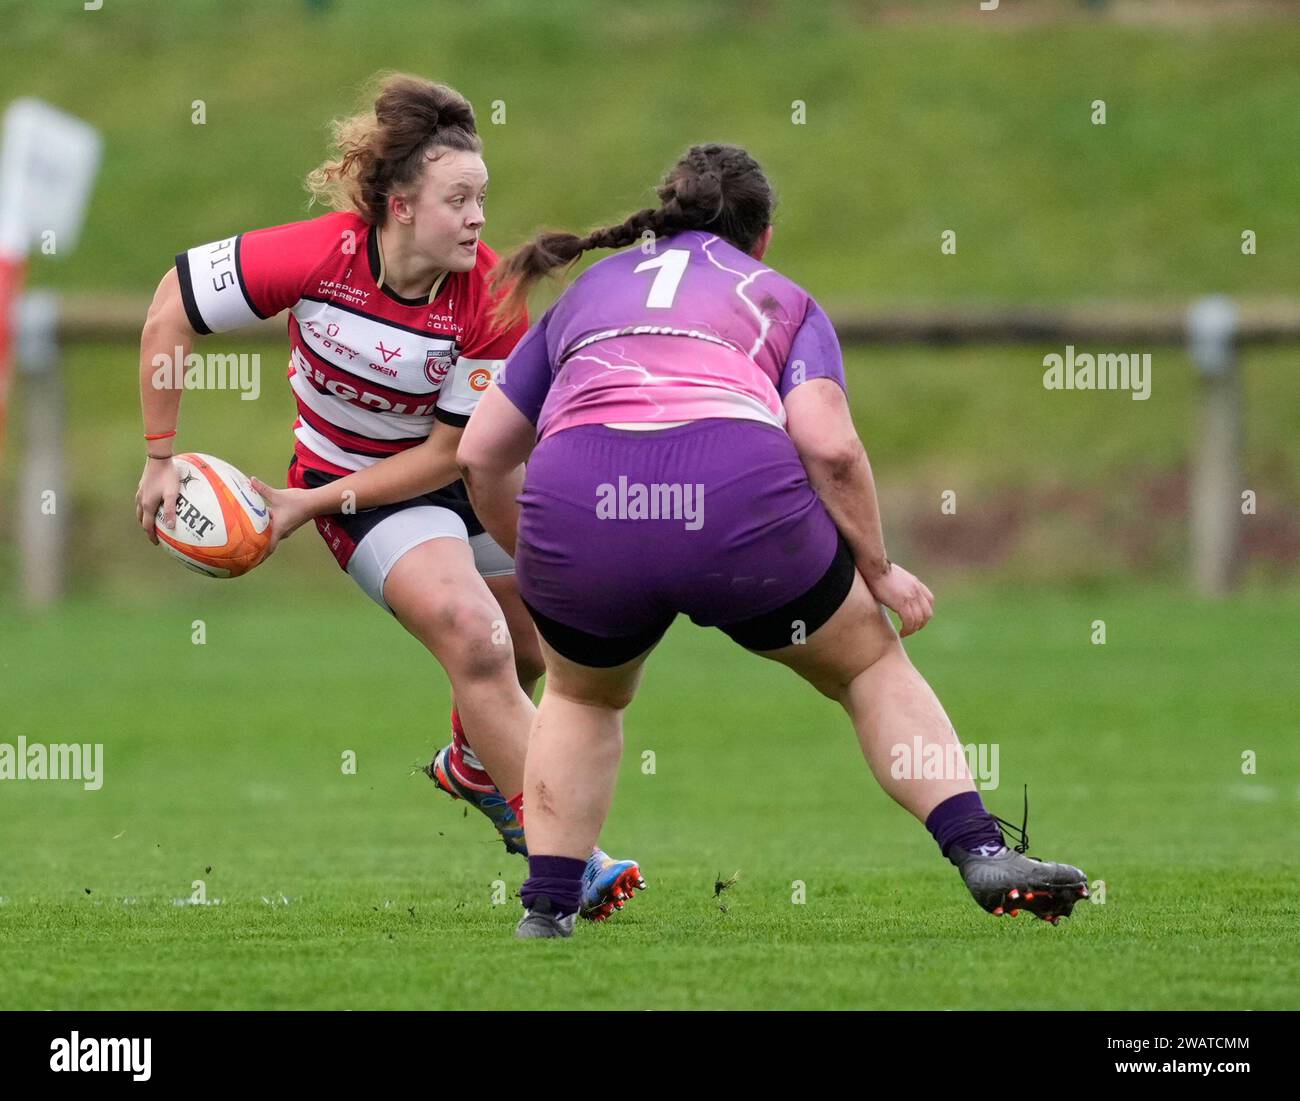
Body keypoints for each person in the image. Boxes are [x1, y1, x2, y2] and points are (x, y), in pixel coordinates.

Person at [456, 142, 1089, 939]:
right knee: (867, 663)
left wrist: (540, 557)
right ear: (761, 237)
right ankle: (979, 848)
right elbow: (827, 444)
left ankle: (546, 909)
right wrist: (881, 572)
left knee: (581, 695)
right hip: (733, 497)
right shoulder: (778, 294)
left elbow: (481, 453)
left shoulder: (587, 292)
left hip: (582, 500)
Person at [133, 73, 642, 921]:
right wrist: (160, 460)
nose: (480, 218)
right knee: (474, 637)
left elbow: (451, 452)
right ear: (400, 205)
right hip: (357, 496)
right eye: (459, 199)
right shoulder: (316, 256)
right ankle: (566, 855)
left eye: (483, 196)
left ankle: (476, 765)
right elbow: (168, 311)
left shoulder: (489, 299)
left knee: (542, 641)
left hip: (462, 478)